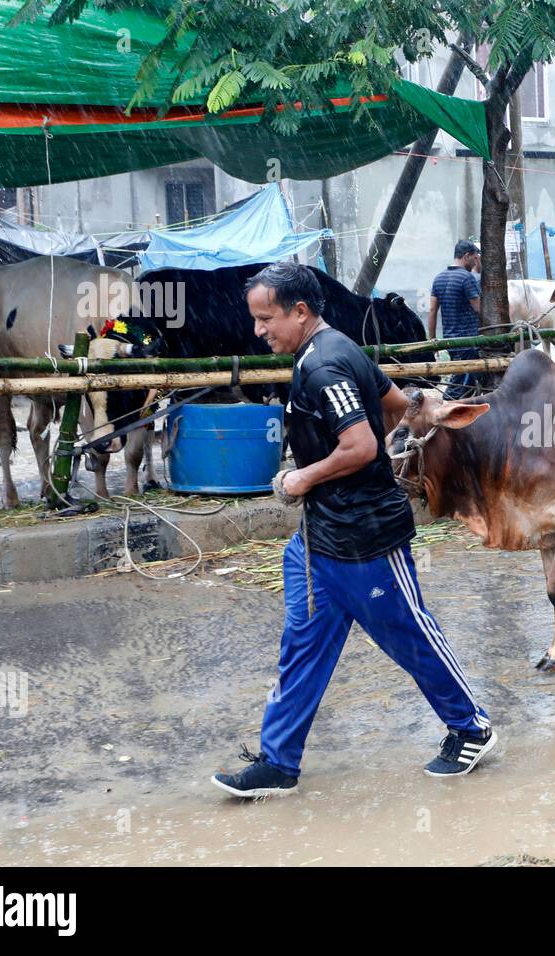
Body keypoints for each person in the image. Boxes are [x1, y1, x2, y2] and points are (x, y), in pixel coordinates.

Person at [212, 262, 495, 797]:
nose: (258, 331)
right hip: (319, 540)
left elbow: (362, 446)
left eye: (266, 318)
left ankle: (471, 726)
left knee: (409, 636)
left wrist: (300, 478)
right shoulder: (334, 348)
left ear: (300, 312)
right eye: (255, 319)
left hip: (365, 541)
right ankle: (278, 761)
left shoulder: (324, 366)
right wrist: (421, 404)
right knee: (302, 645)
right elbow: (395, 407)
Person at [428, 240, 483, 399]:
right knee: (460, 385)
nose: (475, 262)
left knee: (466, 381)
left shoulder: (439, 278)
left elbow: (432, 311)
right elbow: (479, 309)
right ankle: (446, 412)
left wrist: (432, 341)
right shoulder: (467, 278)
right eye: (474, 258)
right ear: (466, 256)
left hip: (451, 341)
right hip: (469, 342)